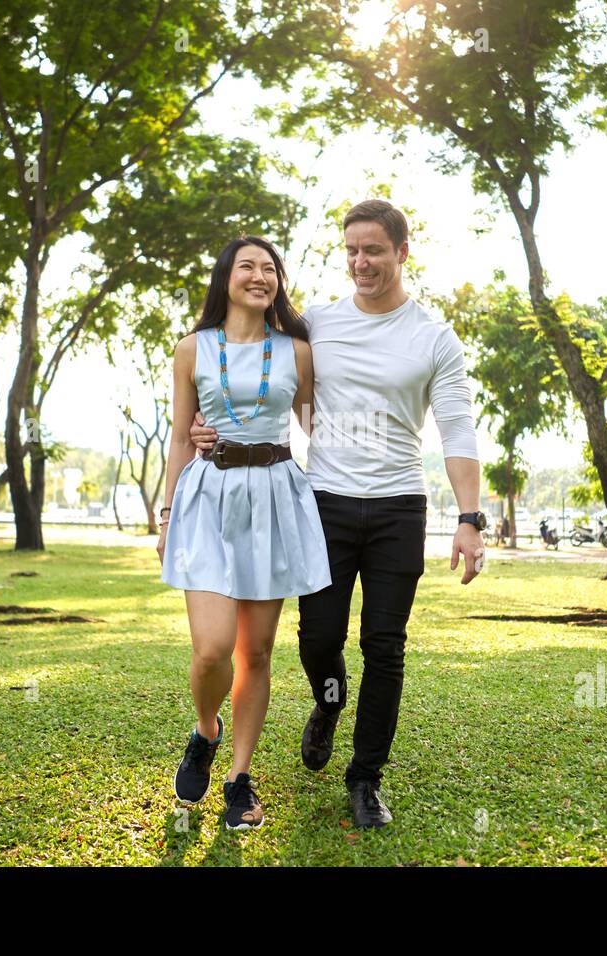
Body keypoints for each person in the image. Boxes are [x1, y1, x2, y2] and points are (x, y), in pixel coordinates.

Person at [191, 200, 484, 828]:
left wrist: (470, 517)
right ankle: (328, 701)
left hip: (400, 506)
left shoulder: (434, 336)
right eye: (351, 250)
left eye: (374, 250)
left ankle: (364, 779)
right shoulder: (314, 325)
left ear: (403, 253)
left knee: (386, 646)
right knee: (318, 639)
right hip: (321, 502)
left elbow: (458, 429)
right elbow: (246, 366)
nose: (361, 262)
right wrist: (208, 426)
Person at [159, 236, 331, 831]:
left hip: (273, 497)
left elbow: (316, 431)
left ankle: (238, 778)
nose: (259, 276)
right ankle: (205, 729)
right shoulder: (192, 349)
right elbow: (182, 437)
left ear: (279, 282)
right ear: (225, 278)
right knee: (211, 650)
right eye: (247, 267)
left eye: (270, 269)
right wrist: (165, 515)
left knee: (254, 651)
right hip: (208, 497)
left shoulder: (298, 352)